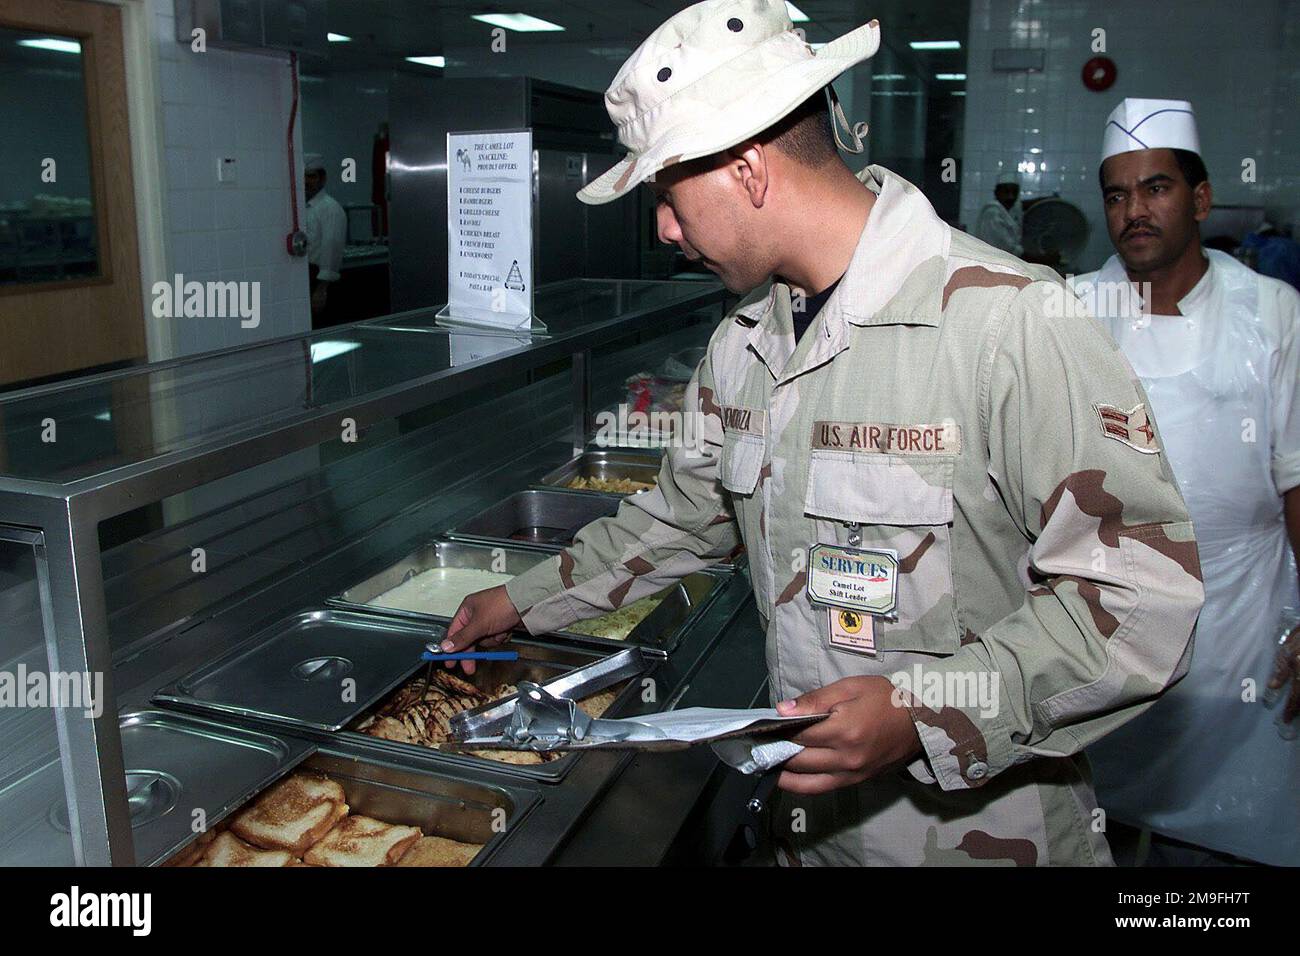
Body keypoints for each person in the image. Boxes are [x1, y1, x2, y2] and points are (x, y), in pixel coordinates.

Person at [443, 0, 1204, 866]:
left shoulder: (1006, 323)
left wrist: (924, 712)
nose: (662, 223)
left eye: (667, 187)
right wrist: (519, 603)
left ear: (747, 168)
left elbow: (1143, 602)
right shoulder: (742, 347)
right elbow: (680, 520)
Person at [1072, 98, 1300, 867]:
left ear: (1199, 199)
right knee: (1083, 827)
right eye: (1116, 193)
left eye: (1156, 188)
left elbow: (1298, 480)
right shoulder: (1066, 312)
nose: (1134, 210)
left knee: (1214, 855)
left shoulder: (1271, 314)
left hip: (1242, 623)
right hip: (1097, 623)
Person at [303, 153, 346, 320]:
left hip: (320, 279)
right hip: (306, 275)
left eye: (311, 176)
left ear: (322, 179)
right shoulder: (304, 207)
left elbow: (331, 247)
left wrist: (322, 289)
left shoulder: (330, 209)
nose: (306, 181)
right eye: (303, 176)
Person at [974, 170, 1023, 255]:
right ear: (997, 193)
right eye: (1006, 192)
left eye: (1014, 192)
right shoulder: (992, 213)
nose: (1011, 197)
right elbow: (1008, 248)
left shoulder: (1010, 211)